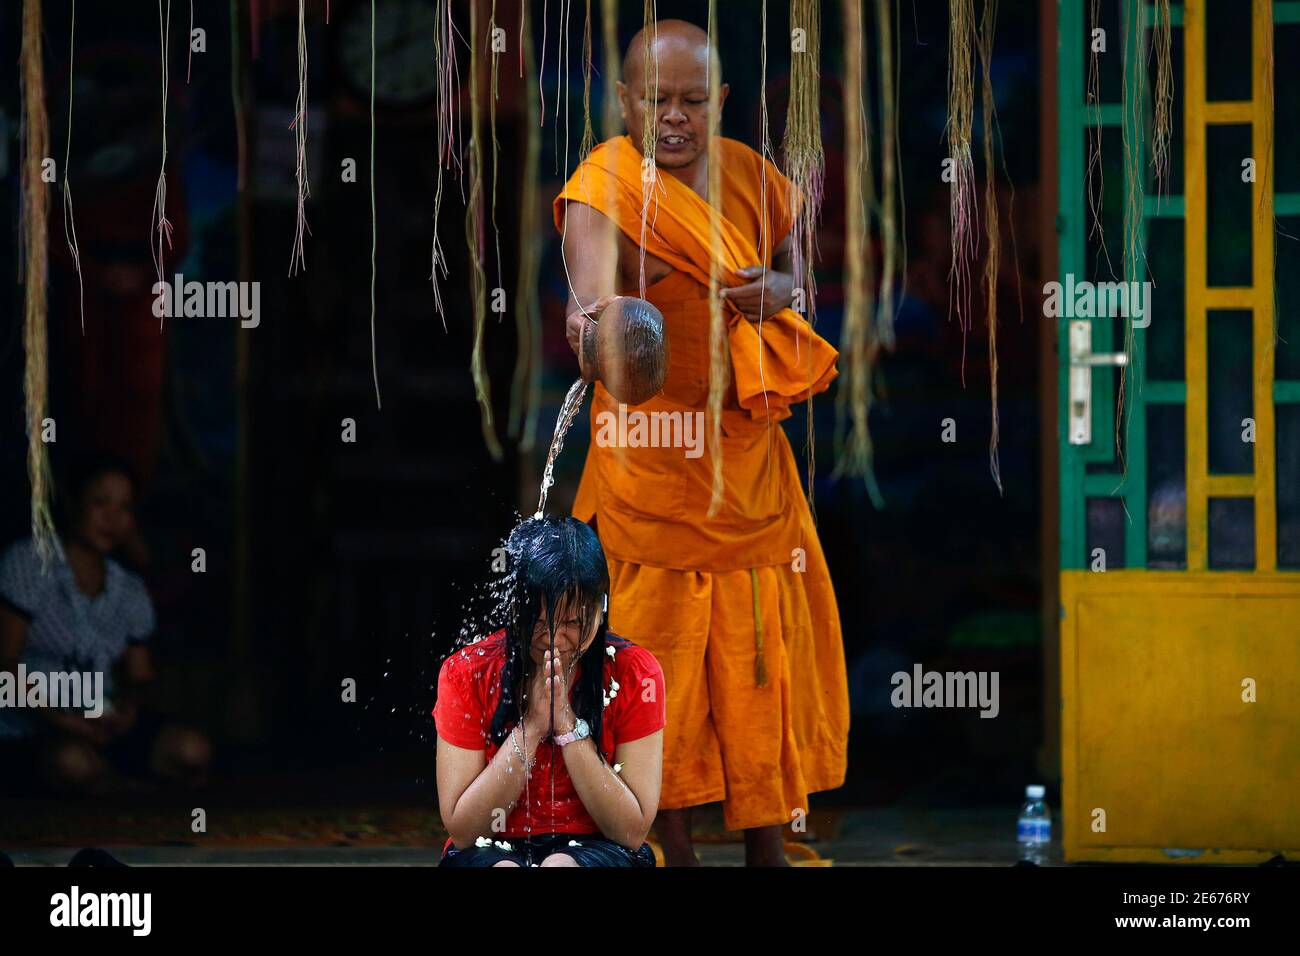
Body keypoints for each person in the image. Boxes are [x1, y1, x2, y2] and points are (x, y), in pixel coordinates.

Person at [553, 20, 849, 866]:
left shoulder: (756, 176)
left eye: (691, 101)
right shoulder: (603, 186)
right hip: (648, 464)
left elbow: (795, 270)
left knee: (758, 667)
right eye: (656, 101)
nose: (674, 118)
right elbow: (588, 299)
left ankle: (767, 847)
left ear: (718, 101)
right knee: (654, 669)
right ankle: (667, 851)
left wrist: (780, 290)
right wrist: (595, 328)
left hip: (746, 466)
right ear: (623, 101)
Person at [434, 516, 666, 867]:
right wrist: (531, 728)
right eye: (538, 623)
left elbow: (631, 831)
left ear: (601, 608)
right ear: (513, 610)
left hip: (598, 847)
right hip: (491, 850)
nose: (555, 639)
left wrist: (567, 727)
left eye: (573, 622)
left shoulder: (636, 673)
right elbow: (465, 830)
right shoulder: (467, 672)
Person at [0, 452, 211, 794]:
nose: (112, 518)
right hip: (35, 726)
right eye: (101, 503)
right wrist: (60, 717)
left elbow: (139, 675)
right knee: (73, 764)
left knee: (192, 750)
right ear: (73, 503)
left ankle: (113, 781)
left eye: (124, 508)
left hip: (100, 723)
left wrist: (125, 710)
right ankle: (122, 787)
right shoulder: (27, 563)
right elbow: (5, 663)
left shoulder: (128, 588)